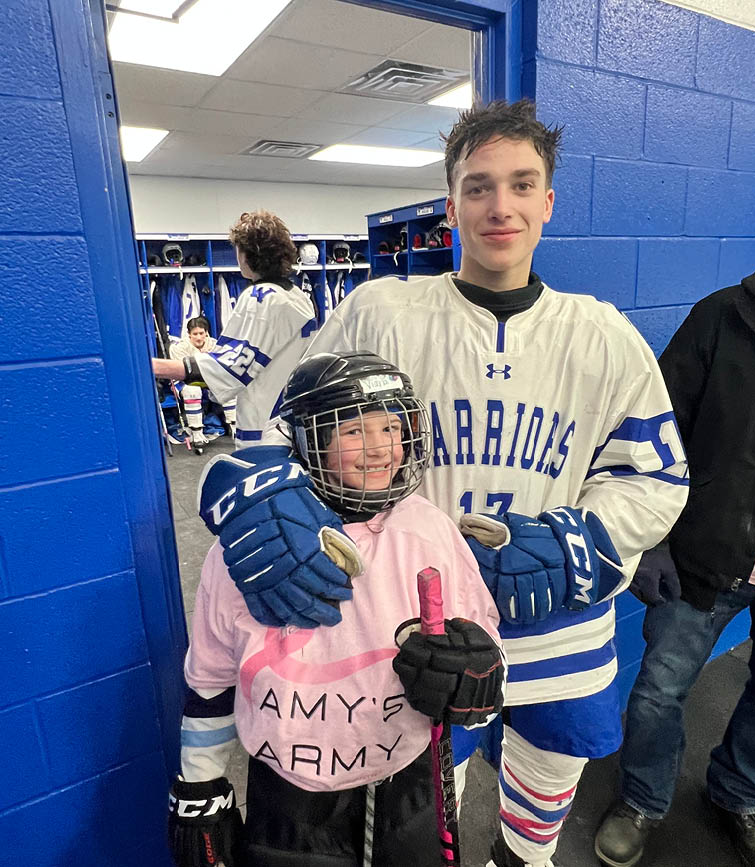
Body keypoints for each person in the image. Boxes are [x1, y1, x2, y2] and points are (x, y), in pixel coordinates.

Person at [197, 99, 689, 867]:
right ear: (451, 202)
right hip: (411, 643)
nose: (502, 205)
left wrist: (580, 543)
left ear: (548, 201)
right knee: (426, 825)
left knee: (534, 836)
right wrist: (251, 496)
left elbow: (655, 475)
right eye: (480, 185)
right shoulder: (380, 310)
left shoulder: (605, 333)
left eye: (523, 185)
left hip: (559, 638)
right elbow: (278, 430)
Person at [167, 350, 504, 867]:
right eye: (352, 431)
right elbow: (212, 678)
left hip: (408, 780)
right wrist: (200, 782)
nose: (380, 448)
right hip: (290, 800)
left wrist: (473, 674)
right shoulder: (250, 549)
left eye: (392, 427)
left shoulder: (427, 527)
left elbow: (479, 640)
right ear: (306, 440)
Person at [595, 252, 755, 867]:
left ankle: (739, 797)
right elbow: (653, 433)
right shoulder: (726, 317)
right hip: (707, 554)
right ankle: (641, 800)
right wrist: (652, 541)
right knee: (660, 690)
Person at [153, 210, 316, 445]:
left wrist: (151, 366)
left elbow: (225, 371)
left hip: (265, 428)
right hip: (291, 420)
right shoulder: (297, 295)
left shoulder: (262, 297)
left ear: (249, 254)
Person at [165, 316, 236, 452]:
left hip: (210, 379)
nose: (198, 337)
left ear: (206, 333)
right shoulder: (179, 347)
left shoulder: (215, 345)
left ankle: (234, 428)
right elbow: (185, 372)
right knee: (193, 391)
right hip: (186, 381)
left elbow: (222, 369)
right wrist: (204, 360)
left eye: (201, 333)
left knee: (230, 388)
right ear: (189, 334)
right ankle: (197, 433)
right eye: (195, 334)